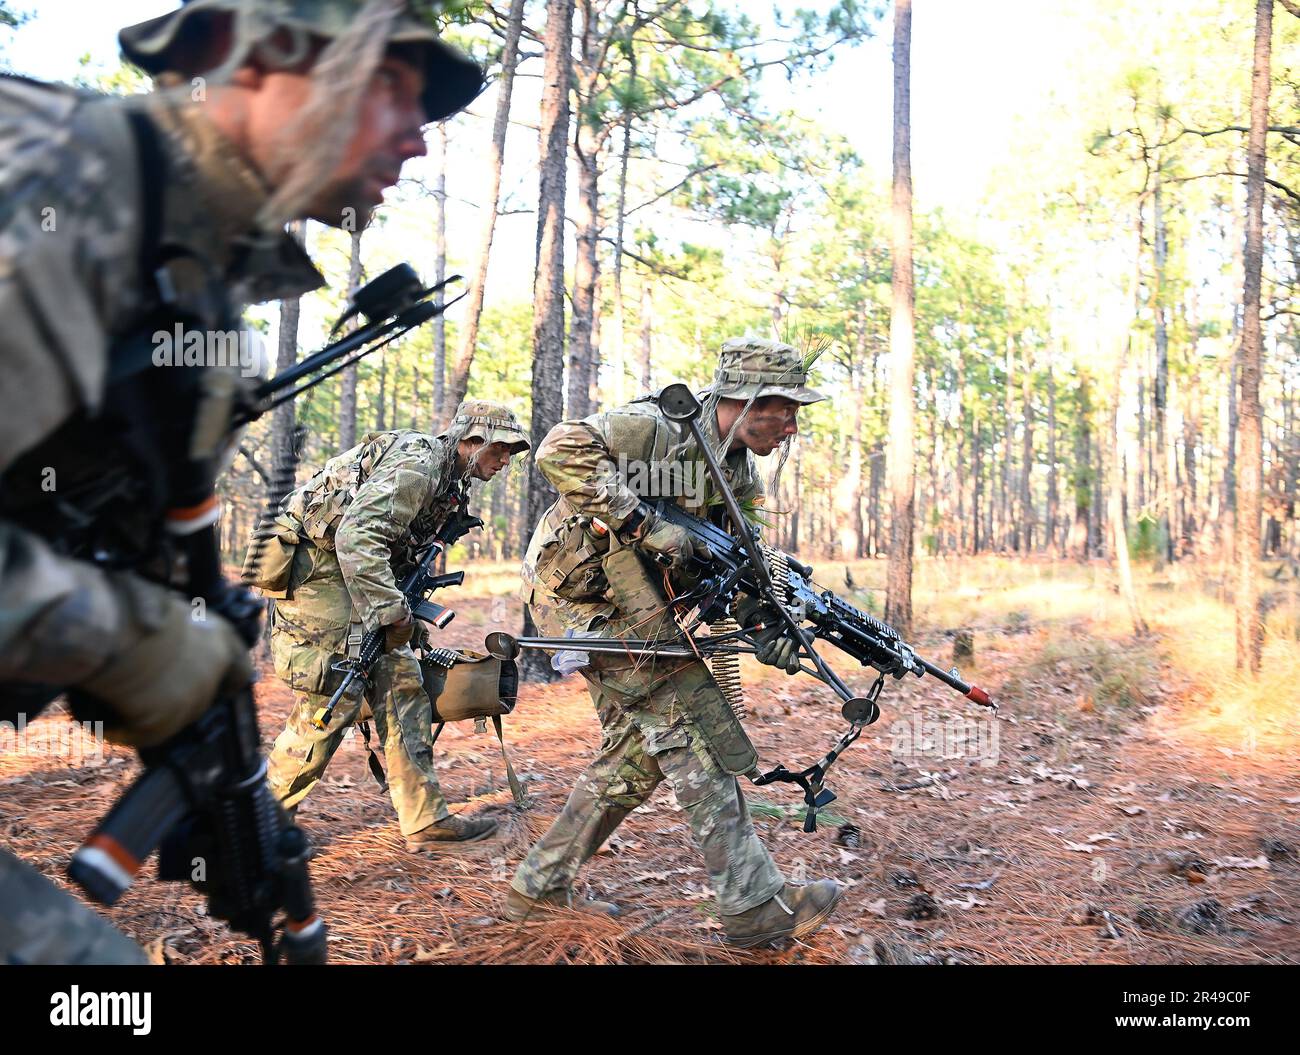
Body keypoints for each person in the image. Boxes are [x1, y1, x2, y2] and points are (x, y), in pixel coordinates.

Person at [0, 0, 482, 963]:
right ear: (243, 52)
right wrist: (128, 643)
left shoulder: (193, 272)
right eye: (393, 83)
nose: (419, 143)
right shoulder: (67, 181)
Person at [504, 337, 845, 949]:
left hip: (646, 606)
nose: (792, 427)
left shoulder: (737, 472)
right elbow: (558, 450)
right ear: (744, 401)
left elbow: (732, 564)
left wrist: (766, 626)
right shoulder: (654, 426)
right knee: (689, 728)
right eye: (785, 410)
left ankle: (538, 886)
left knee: (635, 759)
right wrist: (639, 521)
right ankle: (753, 904)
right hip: (583, 600)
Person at [258, 401, 530, 851]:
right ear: (472, 440)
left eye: (510, 454)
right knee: (337, 691)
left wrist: (401, 612)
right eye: (501, 450)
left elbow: (393, 548)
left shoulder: (451, 481)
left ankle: (425, 820)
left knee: (402, 683)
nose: (505, 462)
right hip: (321, 569)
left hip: (352, 570)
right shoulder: (420, 464)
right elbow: (356, 538)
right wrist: (392, 613)